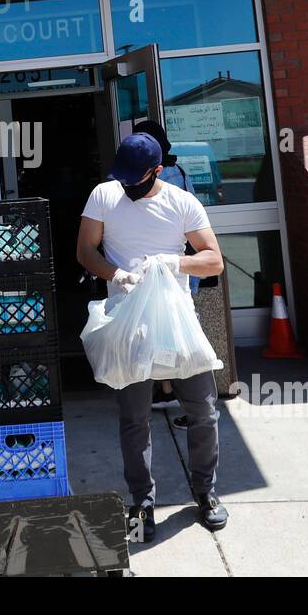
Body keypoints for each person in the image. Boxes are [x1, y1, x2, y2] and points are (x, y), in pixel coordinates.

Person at [77, 133, 229, 540]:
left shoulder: (182, 203)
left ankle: (206, 491)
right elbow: (86, 251)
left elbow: (214, 261)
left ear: (156, 171)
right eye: (122, 179)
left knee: (203, 410)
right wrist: (116, 274)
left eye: (135, 179)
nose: (127, 187)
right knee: (134, 419)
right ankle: (142, 502)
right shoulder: (104, 196)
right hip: (128, 323)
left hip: (176, 324)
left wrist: (173, 261)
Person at [133, 120, 198, 413]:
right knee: (172, 331)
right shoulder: (181, 171)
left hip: (164, 271)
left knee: (170, 334)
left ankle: (182, 395)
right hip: (182, 266)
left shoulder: (158, 179)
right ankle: (170, 389)